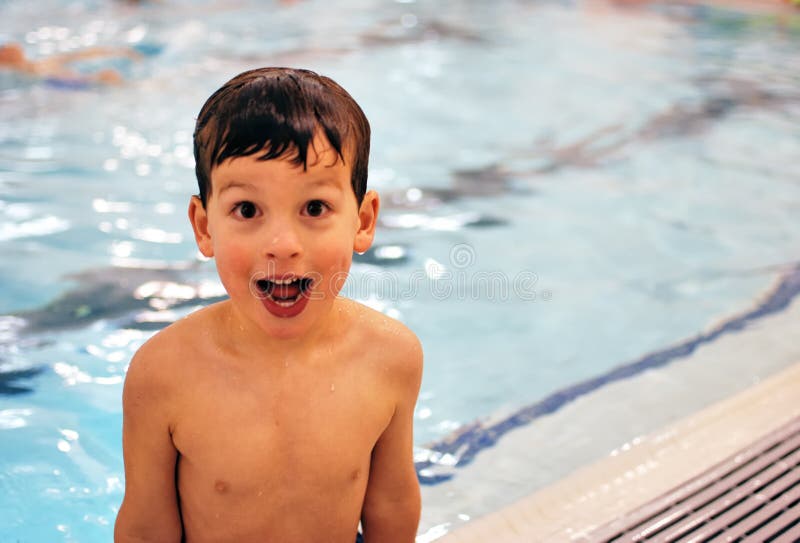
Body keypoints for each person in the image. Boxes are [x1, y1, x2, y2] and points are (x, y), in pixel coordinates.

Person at [114, 67, 423, 543]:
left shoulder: (391, 357)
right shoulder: (164, 373)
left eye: (314, 208)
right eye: (247, 210)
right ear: (204, 227)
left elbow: (393, 505)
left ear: (363, 221)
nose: (282, 245)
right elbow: (145, 528)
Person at [0, 41, 140, 87]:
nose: (12, 45)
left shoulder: (40, 64)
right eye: (4, 48)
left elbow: (75, 56)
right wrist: (95, 79)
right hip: (78, 85)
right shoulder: (32, 72)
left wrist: (112, 51)